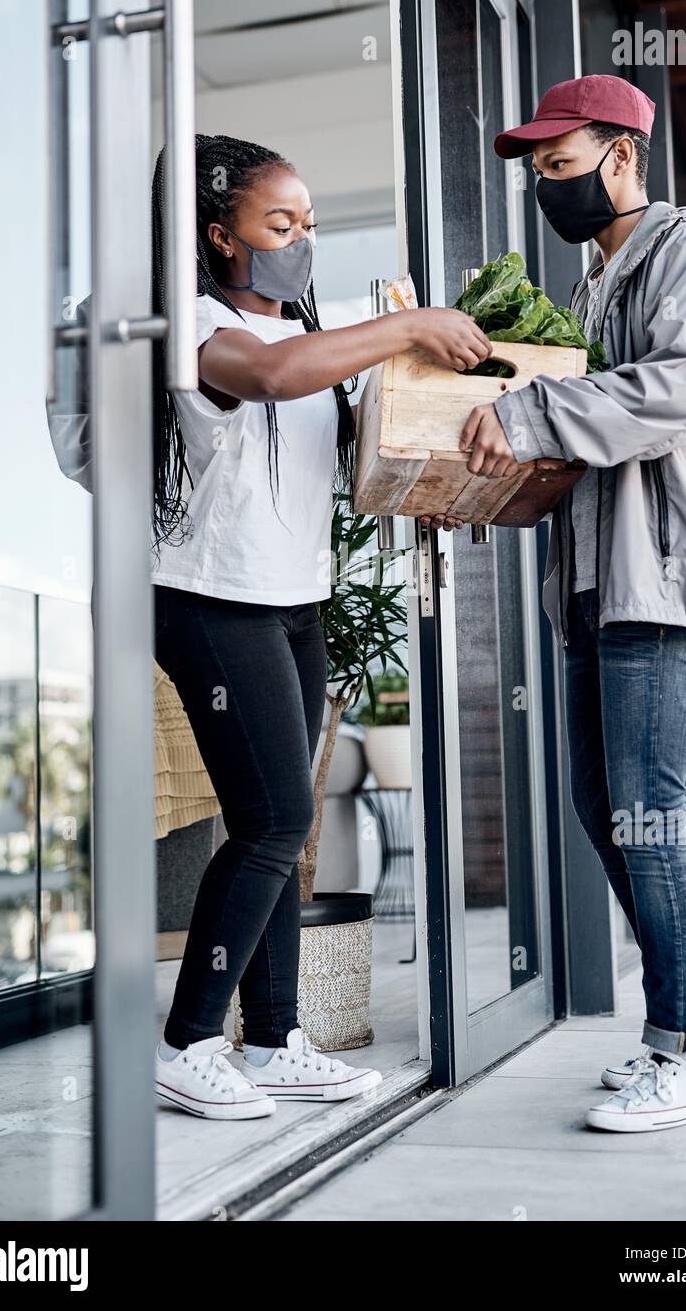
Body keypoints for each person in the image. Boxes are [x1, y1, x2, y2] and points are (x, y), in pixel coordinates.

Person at [460, 74, 686, 1133]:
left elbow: (680, 392)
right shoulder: (595, 290)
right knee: (607, 806)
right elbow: (568, 443)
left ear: (625, 156)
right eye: (540, 173)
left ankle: (681, 1048)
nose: (550, 189)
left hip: (666, 566)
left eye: (563, 165)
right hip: (594, 579)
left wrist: (531, 408)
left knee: (652, 812)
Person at [152, 133, 491, 1119]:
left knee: (280, 826)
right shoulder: (204, 331)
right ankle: (186, 1042)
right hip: (214, 605)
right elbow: (271, 376)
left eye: (308, 223)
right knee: (274, 823)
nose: (302, 241)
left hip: (291, 602)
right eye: (278, 224)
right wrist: (410, 324)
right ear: (221, 236)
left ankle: (275, 1039)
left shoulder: (309, 345)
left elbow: (351, 455)